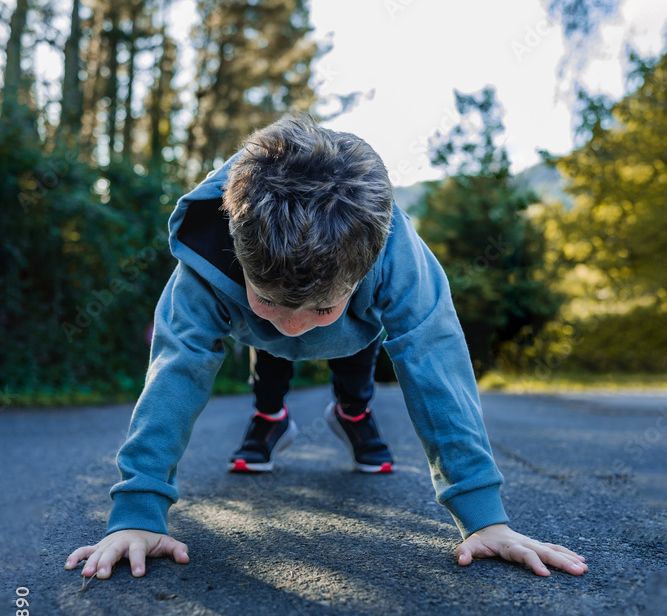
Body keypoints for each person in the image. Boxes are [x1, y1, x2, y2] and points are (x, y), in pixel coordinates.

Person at [65, 112, 587, 581]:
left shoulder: (400, 261)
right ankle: (270, 412)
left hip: (358, 333)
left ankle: (351, 409)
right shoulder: (201, 270)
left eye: (318, 309)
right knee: (271, 350)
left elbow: (435, 365)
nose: (294, 330)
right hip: (257, 326)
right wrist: (136, 513)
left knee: (349, 367)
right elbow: (174, 373)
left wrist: (484, 517)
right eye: (269, 300)